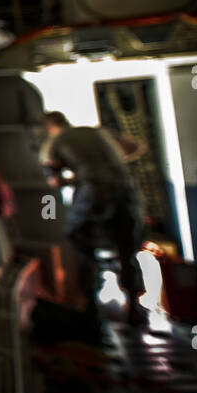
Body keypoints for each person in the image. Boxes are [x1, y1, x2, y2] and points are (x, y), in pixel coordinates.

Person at [41, 111, 146, 325]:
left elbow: (53, 179)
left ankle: (91, 308)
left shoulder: (56, 141)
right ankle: (134, 308)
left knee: (78, 242)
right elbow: (136, 146)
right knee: (127, 250)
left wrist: (72, 179)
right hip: (125, 189)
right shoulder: (98, 132)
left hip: (94, 192)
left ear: (49, 126)